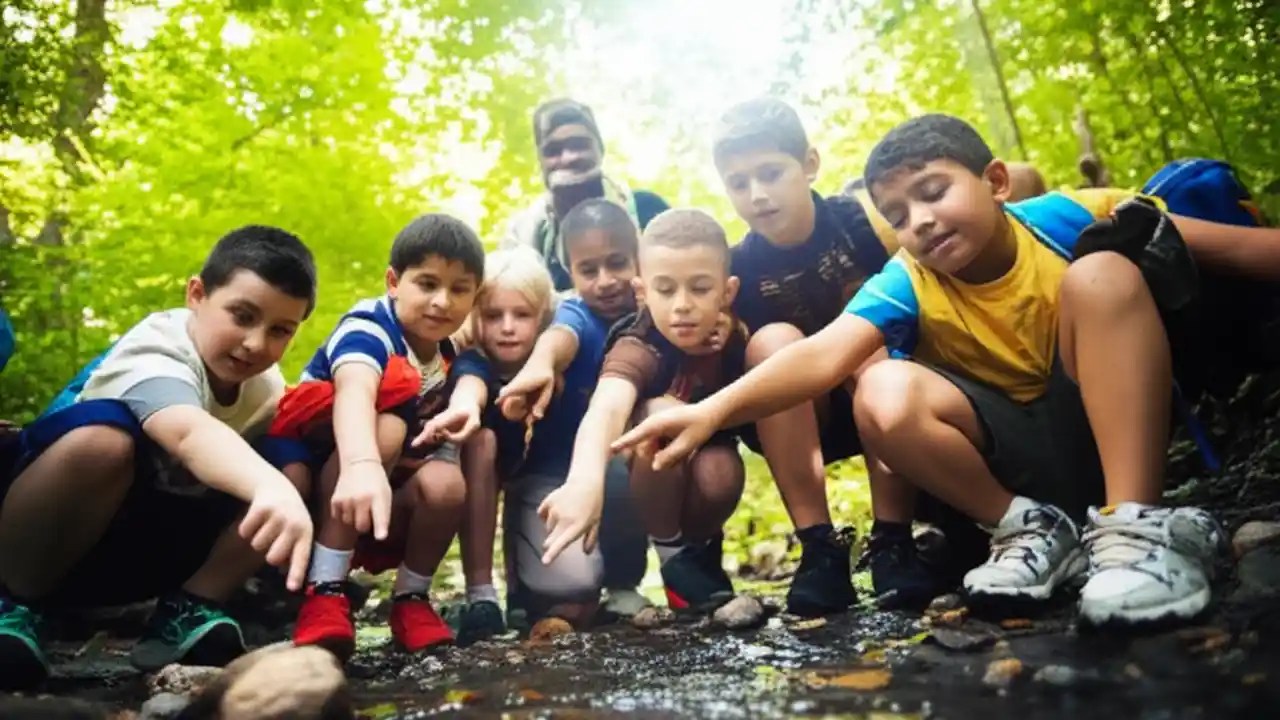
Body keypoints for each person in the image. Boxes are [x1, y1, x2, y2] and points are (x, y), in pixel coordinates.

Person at [613, 113, 1280, 626]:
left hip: (1107, 424)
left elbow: (1245, 252)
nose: (921, 222)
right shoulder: (906, 278)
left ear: (993, 181)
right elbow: (821, 355)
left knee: (1102, 273)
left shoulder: (1071, 215)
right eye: (899, 215)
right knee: (881, 385)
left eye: (934, 193)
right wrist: (710, 412)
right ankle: (1031, 532)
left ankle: (1136, 526)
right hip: (1006, 460)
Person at [0, 226, 317, 689]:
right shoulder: (155, 348)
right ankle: (13, 603)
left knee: (292, 461)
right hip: (51, 534)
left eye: (280, 331)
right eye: (242, 315)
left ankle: (189, 608)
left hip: (147, 547)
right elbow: (186, 431)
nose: (255, 343)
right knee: (104, 442)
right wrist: (272, 489)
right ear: (196, 294)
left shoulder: (263, 386)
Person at [712, 97, 899, 616]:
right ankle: (819, 546)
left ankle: (893, 537)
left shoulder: (861, 223)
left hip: (885, 390)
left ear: (809, 164)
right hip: (805, 414)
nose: (757, 194)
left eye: (771, 173)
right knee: (770, 343)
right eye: (739, 182)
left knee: (867, 331)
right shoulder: (739, 266)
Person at [285, 214, 483, 659]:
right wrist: (361, 465)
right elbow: (355, 392)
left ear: (475, 296)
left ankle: (411, 597)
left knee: (447, 483)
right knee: (388, 427)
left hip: (387, 489)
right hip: (324, 474)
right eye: (427, 284)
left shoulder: (450, 353)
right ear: (394, 281)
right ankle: (326, 589)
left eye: (459, 289)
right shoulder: (368, 328)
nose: (441, 301)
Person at [538, 209, 747, 613]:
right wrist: (584, 481)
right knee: (657, 416)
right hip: (651, 466)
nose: (682, 305)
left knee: (720, 473)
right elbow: (606, 408)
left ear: (727, 292)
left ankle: (701, 552)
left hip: (712, 458)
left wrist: (736, 328)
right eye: (665, 290)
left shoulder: (735, 330)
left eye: (700, 288)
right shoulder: (636, 344)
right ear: (642, 293)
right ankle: (674, 562)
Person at [495, 199, 650, 626]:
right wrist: (541, 364)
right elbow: (560, 337)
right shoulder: (575, 312)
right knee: (569, 586)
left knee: (625, 464)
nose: (604, 281)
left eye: (617, 263)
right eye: (588, 270)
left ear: (638, 255)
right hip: (550, 477)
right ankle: (523, 592)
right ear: (570, 272)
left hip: (615, 472)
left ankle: (624, 582)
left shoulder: (655, 314)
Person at [422, 246, 557, 645]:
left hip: (539, 473)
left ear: (543, 317)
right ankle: (481, 591)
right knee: (482, 442)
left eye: (521, 315)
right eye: (494, 315)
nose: (508, 327)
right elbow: (469, 384)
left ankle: (524, 589)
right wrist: (467, 406)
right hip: (487, 468)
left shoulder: (555, 357)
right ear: (477, 319)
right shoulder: (474, 361)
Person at [502, 98, 669, 292]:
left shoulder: (647, 211)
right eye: (553, 151)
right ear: (540, 161)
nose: (568, 158)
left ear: (600, 149)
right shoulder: (525, 235)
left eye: (579, 145)